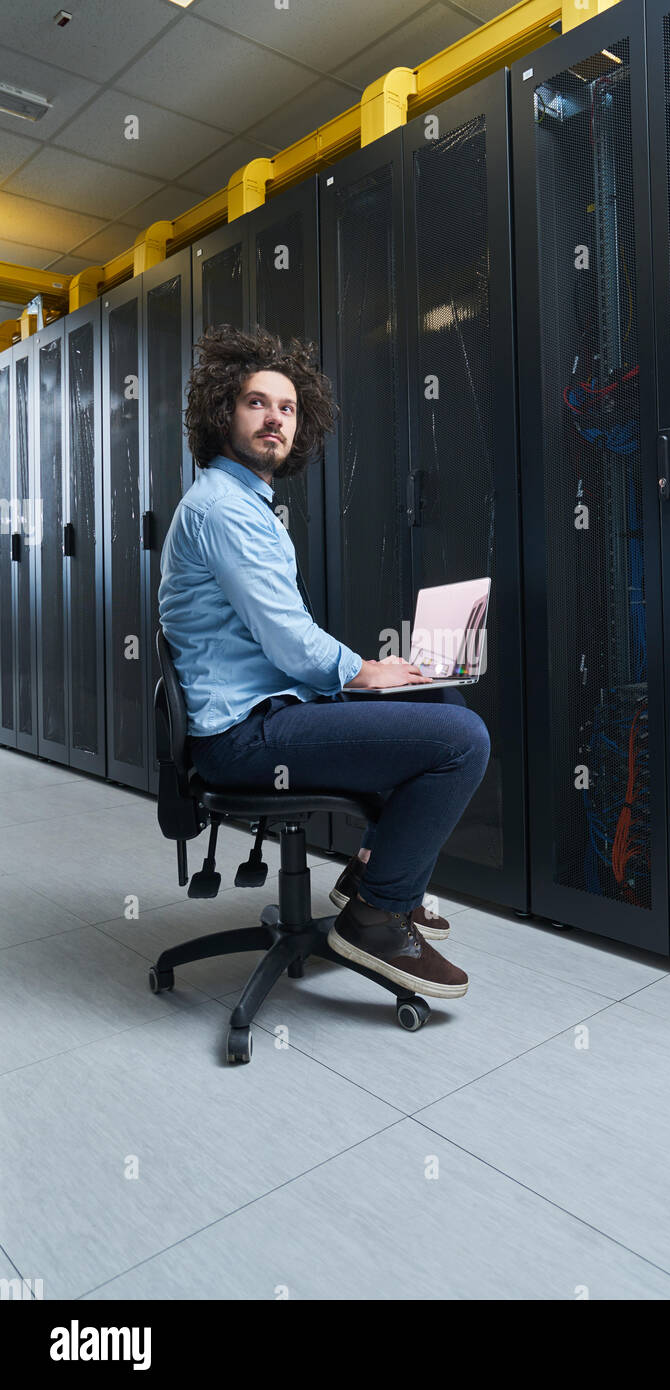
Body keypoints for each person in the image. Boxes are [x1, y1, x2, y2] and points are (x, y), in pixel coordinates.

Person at [158, 323, 491, 1000]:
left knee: (438, 704)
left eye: (287, 407)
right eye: (257, 403)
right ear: (223, 413)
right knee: (461, 741)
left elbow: (285, 639)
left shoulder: (247, 503)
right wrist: (366, 672)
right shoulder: (223, 509)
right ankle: (376, 915)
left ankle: (368, 873)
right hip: (242, 737)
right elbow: (287, 640)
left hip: (271, 712)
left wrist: (378, 676)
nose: (275, 418)